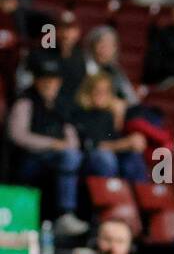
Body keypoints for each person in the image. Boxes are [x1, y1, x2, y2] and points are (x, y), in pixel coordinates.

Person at [7, 59, 88, 236]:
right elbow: (17, 135)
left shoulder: (60, 106)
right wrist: (52, 144)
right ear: (36, 80)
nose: (50, 84)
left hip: (56, 160)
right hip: (29, 161)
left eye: (53, 80)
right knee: (69, 158)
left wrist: (66, 146)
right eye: (45, 80)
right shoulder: (26, 102)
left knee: (77, 157)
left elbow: (71, 135)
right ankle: (64, 214)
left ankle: (87, 218)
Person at [72, 73, 149, 181]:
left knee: (133, 156)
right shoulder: (81, 113)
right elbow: (93, 145)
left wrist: (119, 118)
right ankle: (110, 195)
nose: (101, 94)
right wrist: (125, 143)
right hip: (86, 160)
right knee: (105, 157)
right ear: (88, 91)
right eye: (97, 90)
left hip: (109, 156)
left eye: (106, 91)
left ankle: (138, 194)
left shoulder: (108, 114)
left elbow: (114, 139)